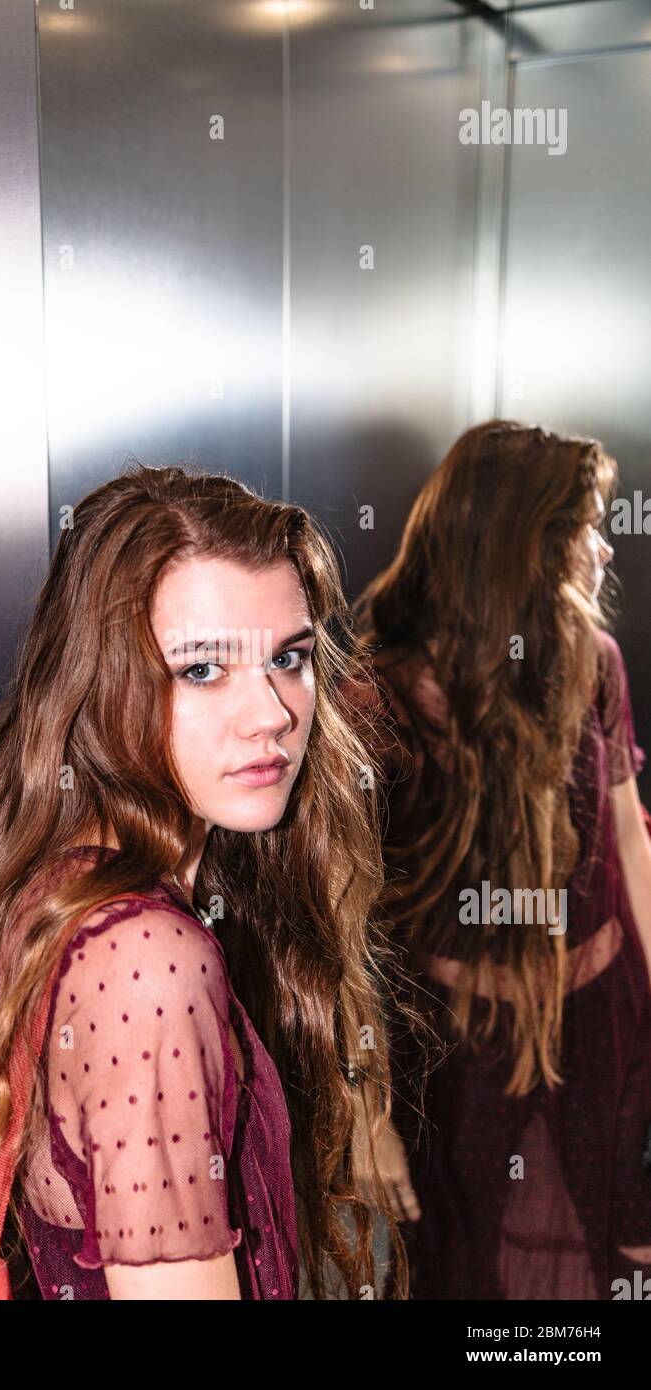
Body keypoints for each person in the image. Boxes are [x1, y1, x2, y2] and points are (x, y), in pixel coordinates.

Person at [0, 462, 408, 1301]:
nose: (272, 711)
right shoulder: (147, 959)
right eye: (202, 669)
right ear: (102, 682)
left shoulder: (52, 888)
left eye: (290, 658)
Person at [344, 420, 651, 1300]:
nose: (603, 545)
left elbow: (632, 844)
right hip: (453, 1049)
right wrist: (365, 1108)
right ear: (525, 542)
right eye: (584, 525)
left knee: (600, 1265)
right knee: (466, 1267)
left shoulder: (595, 664)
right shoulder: (381, 695)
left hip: (601, 1021)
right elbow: (339, 920)